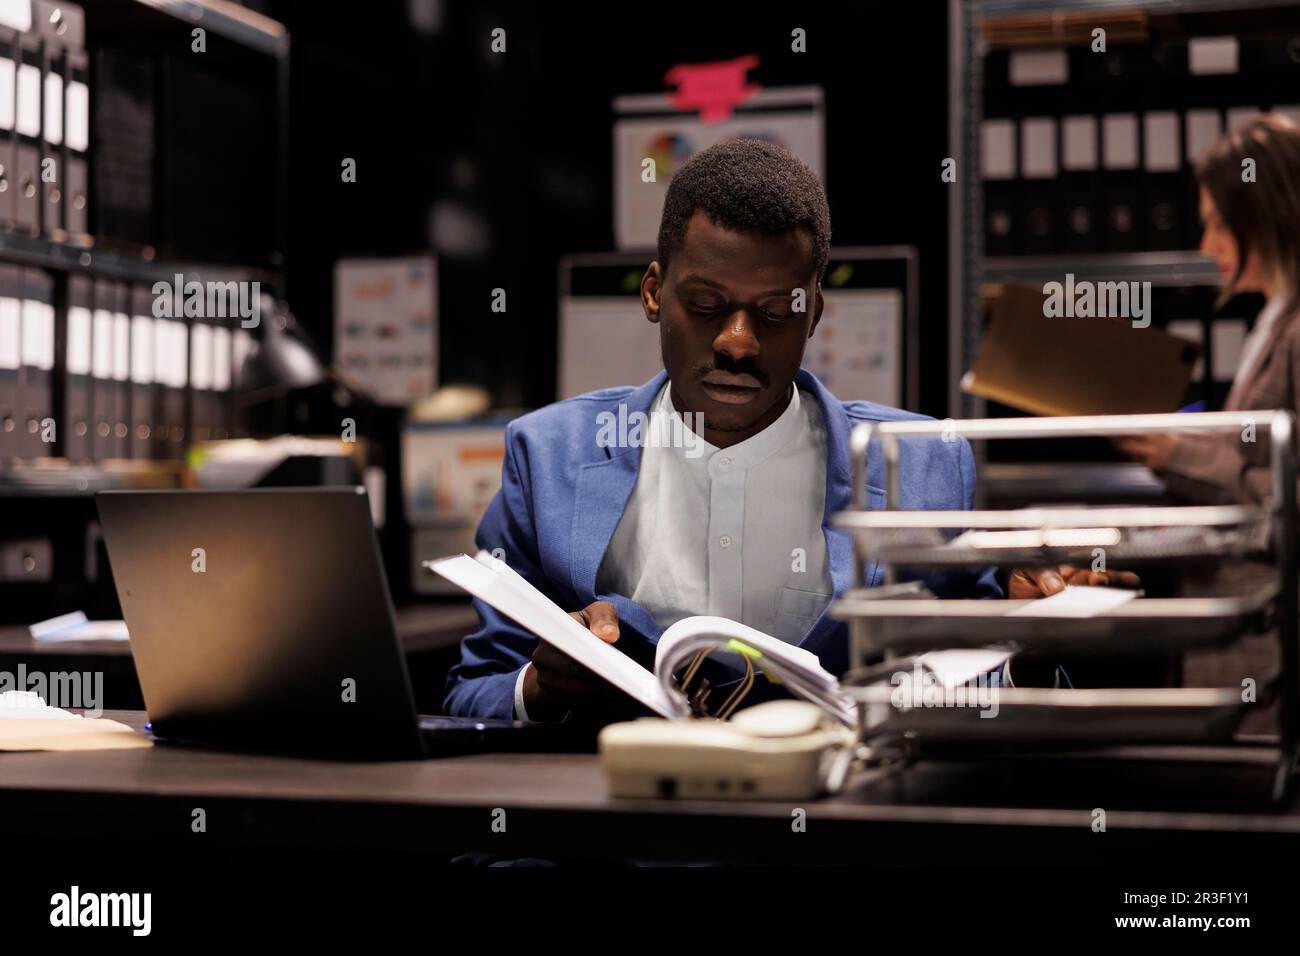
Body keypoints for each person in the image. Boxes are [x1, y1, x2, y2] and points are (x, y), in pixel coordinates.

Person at [444, 139, 1127, 724]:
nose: (738, 342)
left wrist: (1035, 648)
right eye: (706, 306)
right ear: (654, 294)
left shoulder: (921, 468)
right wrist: (540, 686)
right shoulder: (548, 458)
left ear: (814, 313)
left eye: (775, 312)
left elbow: (972, 688)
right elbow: (471, 692)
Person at [1117, 115, 1300, 503]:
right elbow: (1246, 455)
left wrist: (1181, 455)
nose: (1207, 246)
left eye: (1219, 225)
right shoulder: (1274, 319)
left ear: (1267, 218)